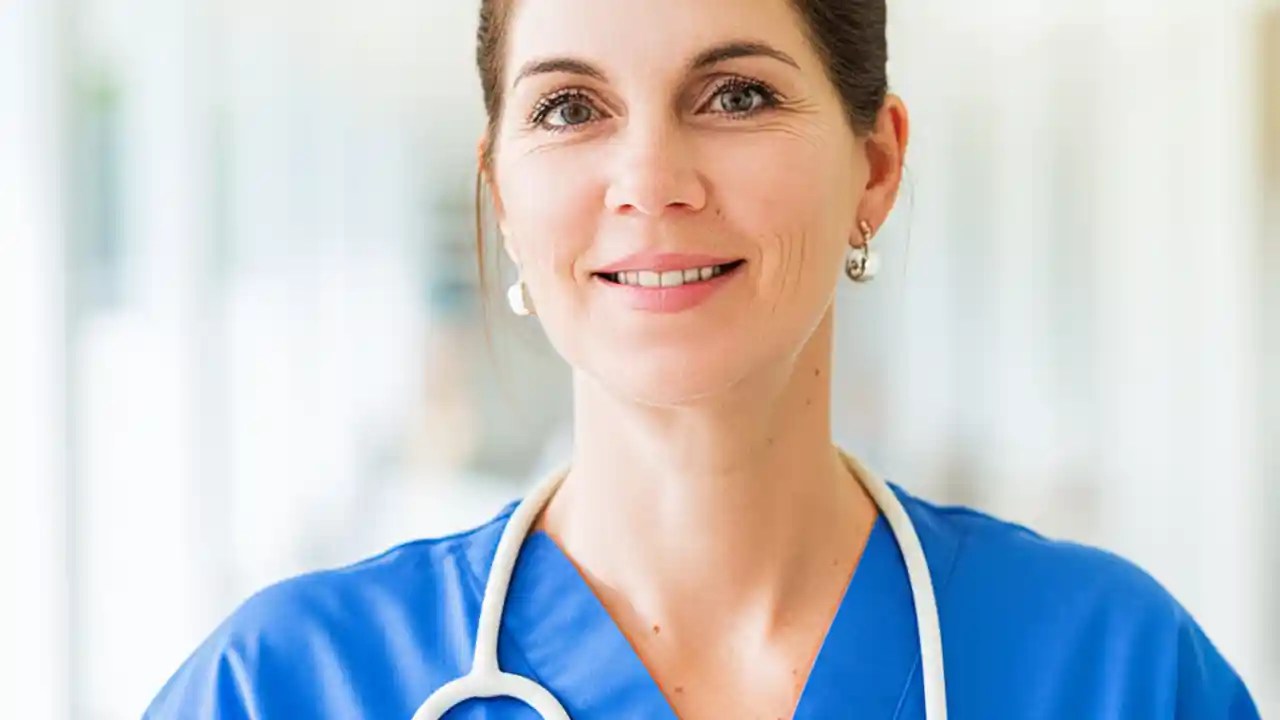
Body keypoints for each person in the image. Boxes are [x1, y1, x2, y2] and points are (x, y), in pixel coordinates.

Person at [145, 0, 1262, 717]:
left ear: (872, 165)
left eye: (735, 94)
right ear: (500, 191)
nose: (649, 177)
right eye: (570, 106)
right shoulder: (287, 684)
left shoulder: (1110, 672)